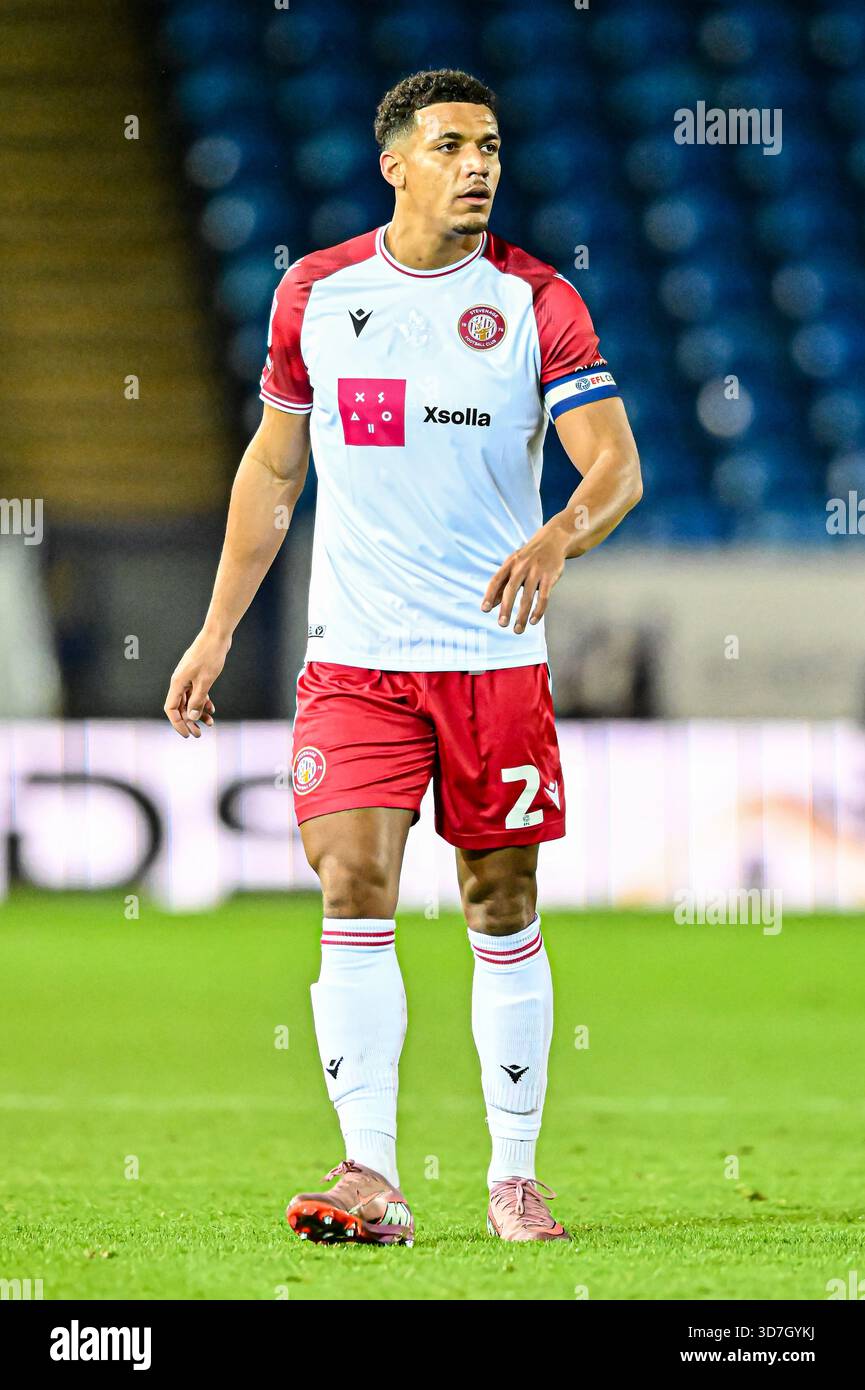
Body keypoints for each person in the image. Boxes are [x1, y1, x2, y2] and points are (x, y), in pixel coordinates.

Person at [164, 68, 642, 1245]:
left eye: (489, 145)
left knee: (499, 900)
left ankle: (513, 1176)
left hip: (491, 662)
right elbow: (275, 472)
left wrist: (556, 535)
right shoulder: (317, 295)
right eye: (452, 145)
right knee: (352, 886)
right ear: (397, 163)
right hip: (357, 659)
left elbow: (615, 470)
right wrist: (217, 628)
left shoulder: (535, 301)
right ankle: (368, 1172)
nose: (478, 164)